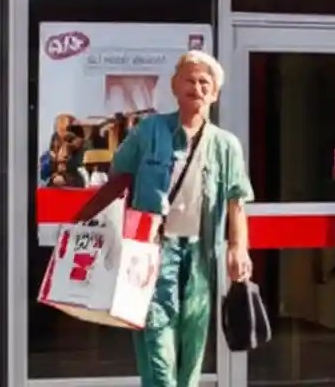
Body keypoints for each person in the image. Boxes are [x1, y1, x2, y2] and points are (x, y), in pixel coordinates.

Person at [74, 50, 254, 387]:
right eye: (189, 80)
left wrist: (238, 247)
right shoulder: (149, 131)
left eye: (205, 82)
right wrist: (79, 223)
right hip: (152, 253)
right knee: (158, 345)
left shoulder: (226, 145)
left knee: (192, 345)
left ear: (215, 93)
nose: (197, 88)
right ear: (174, 86)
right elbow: (119, 180)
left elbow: (236, 201)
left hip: (200, 255)